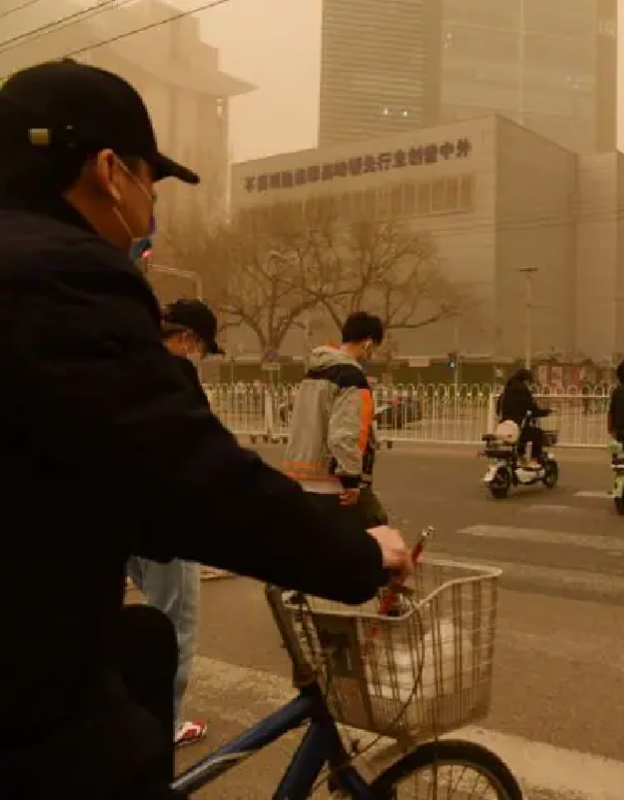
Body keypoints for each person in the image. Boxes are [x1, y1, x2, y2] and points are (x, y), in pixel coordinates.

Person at [0, 59, 413, 800]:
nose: (149, 206)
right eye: (148, 181)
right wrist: (354, 556)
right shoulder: (60, 275)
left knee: (144, 646)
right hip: (23, 699)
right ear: (107, 171)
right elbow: (190, 476)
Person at [126, 299, 224, 748]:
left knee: (152, 617)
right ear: (187, 339)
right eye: (201, 346)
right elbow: (203, 456)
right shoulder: (174, 378)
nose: (198, 356)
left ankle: (140, 718)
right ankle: (167, 724)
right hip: (169, 525)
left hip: (129, 522)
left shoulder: (126, 360)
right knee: (176, 627)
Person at [283, 311, 389, 530]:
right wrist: (351, 480)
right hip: (333, 482)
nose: (373, 356)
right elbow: (344, 435)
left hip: (302, 475)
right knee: (376, 533)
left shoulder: (314, 371)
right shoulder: (351, 378)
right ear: (368, 344)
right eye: (375, 349)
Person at [496, 367, 551, 467]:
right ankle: (534, 460)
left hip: (504, 428)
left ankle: (521, 458)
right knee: (537, 434)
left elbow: (497, 410)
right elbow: (532, 408)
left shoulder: (504, 393)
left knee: (523, 434)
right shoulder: (523, 391)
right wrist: (545, 412)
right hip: (517, 428)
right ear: (525, 380)